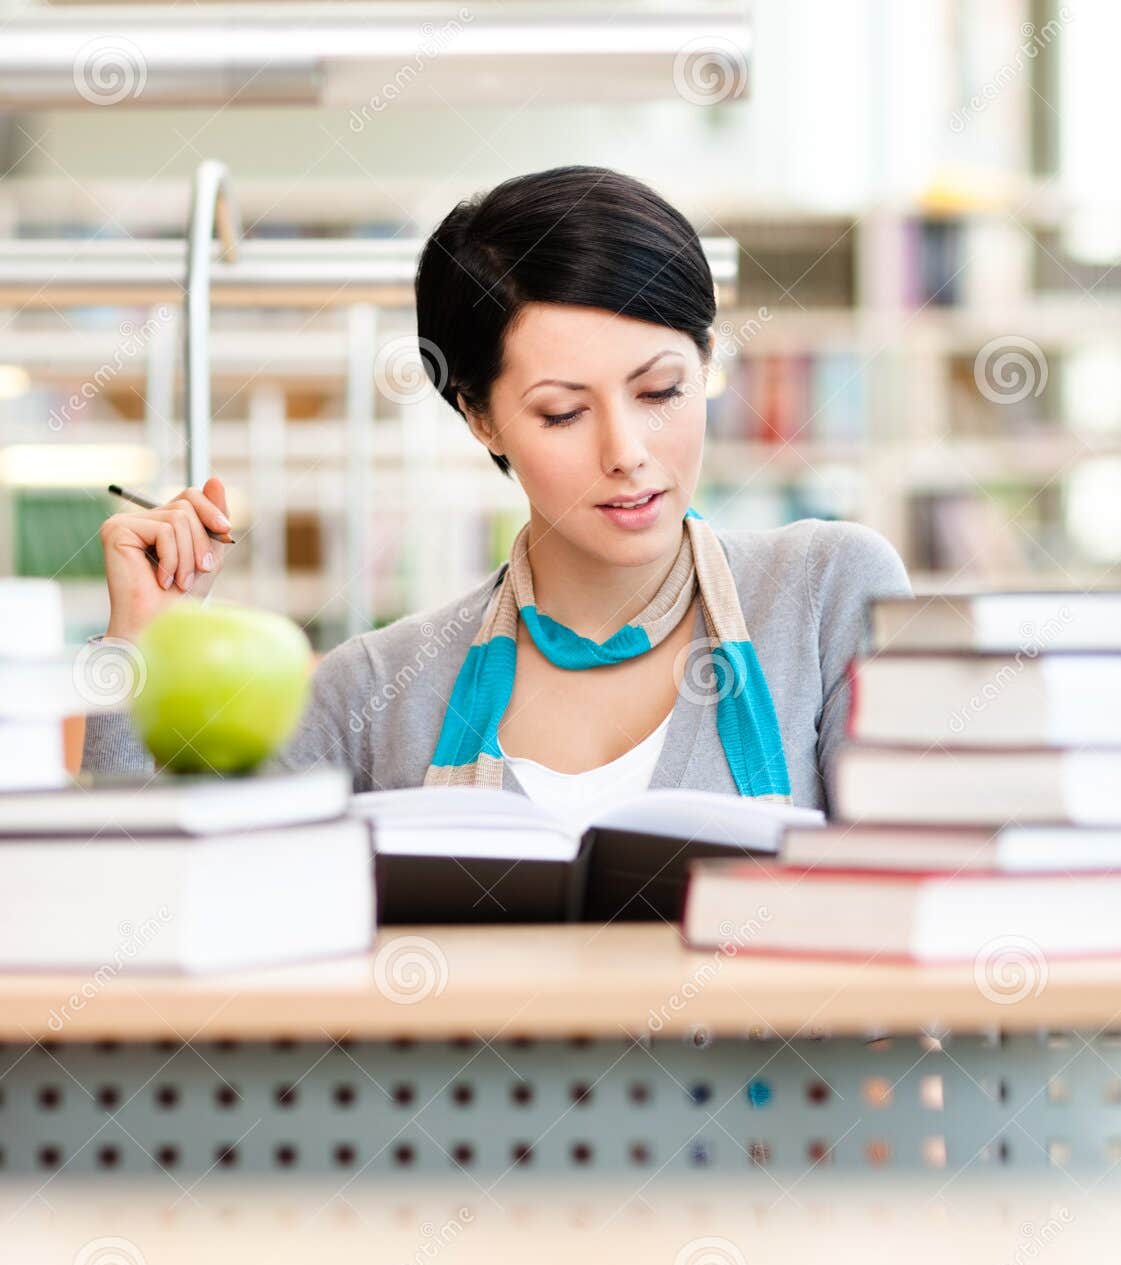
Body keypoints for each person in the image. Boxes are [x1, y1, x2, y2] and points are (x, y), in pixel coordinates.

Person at [82, 164, 913, 819]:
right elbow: (134, 920)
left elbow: (913, 917)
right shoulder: (375, 688)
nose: (626, 453)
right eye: (561, 412)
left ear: (704, 367)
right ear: (479, 417)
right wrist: (138, 655)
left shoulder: (825, 593)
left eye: (660, 393)